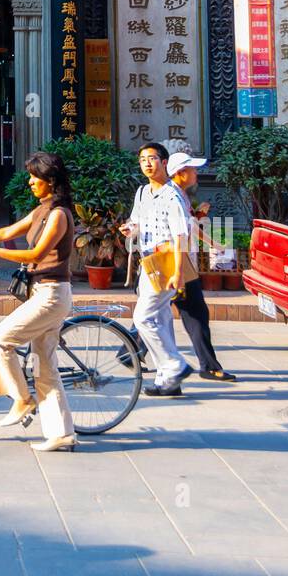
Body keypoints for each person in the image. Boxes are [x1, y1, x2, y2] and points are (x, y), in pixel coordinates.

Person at [0, 151, 76, 452]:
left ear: (50, 181)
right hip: (41, 292)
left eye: (35, 177)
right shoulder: (41, 210)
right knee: (44, 365)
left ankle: (22, 399)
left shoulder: (59, 214)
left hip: (51, 295)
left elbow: (35, 256)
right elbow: (10, 231)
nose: (30, 182)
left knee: (0, 340)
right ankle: (61, 434)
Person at [120, 142, 193, 398]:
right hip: (147, 262)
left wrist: (178, 272)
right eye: (142, 160)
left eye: (152, 158)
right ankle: (168, 380)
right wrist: (131, 229)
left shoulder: (173, 196)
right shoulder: (142, 192)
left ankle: (175, 365)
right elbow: (136, 221)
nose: (147, 163)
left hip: (165, 262)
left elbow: (181, 236)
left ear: (164, 163)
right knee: (161, 319)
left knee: (142, 318)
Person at [167, 153, 236, 383]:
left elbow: (190, 226)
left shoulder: (180, 196)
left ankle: (130, 353)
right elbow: (183, 232)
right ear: (180, 173)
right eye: (193, 170)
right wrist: (179, 270)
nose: (196, 173)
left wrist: (212, 242)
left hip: (179, 262)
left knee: (156, 313)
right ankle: (208, 366)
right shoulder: (174, 197)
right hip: (179, 263)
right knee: (195, 313)